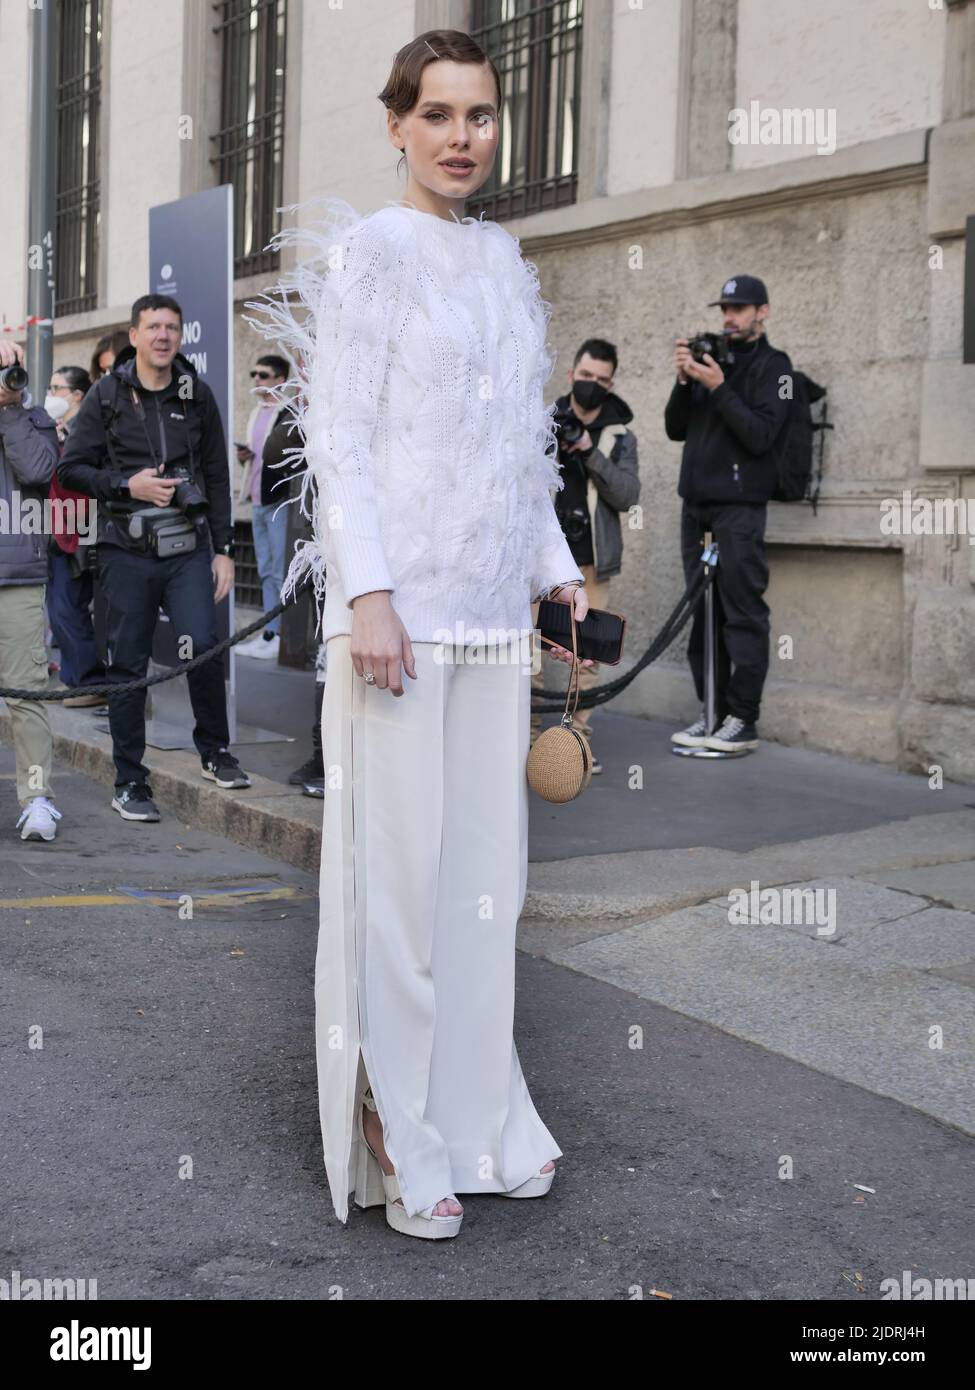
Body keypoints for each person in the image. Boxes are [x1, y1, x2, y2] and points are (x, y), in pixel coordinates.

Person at [247, 28, 594, 1240]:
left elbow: (519, 448)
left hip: (494, 617)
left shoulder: (502, 260)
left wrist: (557, 572)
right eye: (438, 114)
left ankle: (485, 1119)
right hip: (401, 619)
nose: (462, 137)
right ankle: (396, 1123)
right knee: (399, 885)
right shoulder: (376, 253)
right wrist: (369, 595)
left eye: (481, 115)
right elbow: (335, 437)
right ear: (397, 124)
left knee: (484, 887)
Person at [58, 294, 251, 821]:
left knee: (204, 646)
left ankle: (215, 751)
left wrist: (226, 551)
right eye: (154, 327)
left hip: (188, 549)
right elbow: (71, 469)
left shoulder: (197, 395)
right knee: (127, 661)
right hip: (126, 551)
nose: (163, 336)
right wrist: (128, 485)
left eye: (172, 327)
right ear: (135, 335)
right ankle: (130, 781)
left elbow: (215, 474)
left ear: (180, 335)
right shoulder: (106, 395)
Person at [664, 275, 792, 753]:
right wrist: (685, 380)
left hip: (739, 511)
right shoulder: (710, 360)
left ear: (763, 311)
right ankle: (712, 713)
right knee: (704, 614)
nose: (730, 318)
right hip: (695, 508)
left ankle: (743, 718)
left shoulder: (778, 369)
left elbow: (762, 436)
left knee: (742, 614)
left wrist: (719, 388)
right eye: (725, 309)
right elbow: (675, 428)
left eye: (740, 309)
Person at [530, 339, 639, 772]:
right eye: (586, 375)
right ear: (573, 372)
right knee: (531, 654)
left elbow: (628, 494)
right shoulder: (545, 421)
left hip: (591, 559)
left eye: (601, 380)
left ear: (610, 384)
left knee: (586, 655)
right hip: (540, 562)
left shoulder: (618, 435)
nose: (591, 384)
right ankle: (531, 741)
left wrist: (590, 452)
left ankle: (577, 746)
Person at [0, 339, 63, 841]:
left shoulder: (31, 417)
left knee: (26, 696)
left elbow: (40, 470)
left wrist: (10, 411)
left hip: (16, 575)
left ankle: (37, 798)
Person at [44, 366, 107, 708]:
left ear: (77, 395)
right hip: (56, 528)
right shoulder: (60, 429)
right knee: (59, 608)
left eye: (57, 388)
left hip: (80, 528)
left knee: (68, 606)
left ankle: (89, 681)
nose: (50, 394)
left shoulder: (88, 427)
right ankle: (74, 677)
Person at [235, 354, 293, 660]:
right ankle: (269, 631)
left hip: (278, 499)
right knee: (264, 570)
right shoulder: (257, 412)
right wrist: (242, 456)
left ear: (280, 380)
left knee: (278, 572)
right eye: (254, 373)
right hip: (256, 499)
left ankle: (279, 635)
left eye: (264, 374)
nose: (256, 379)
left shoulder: (288, 413)